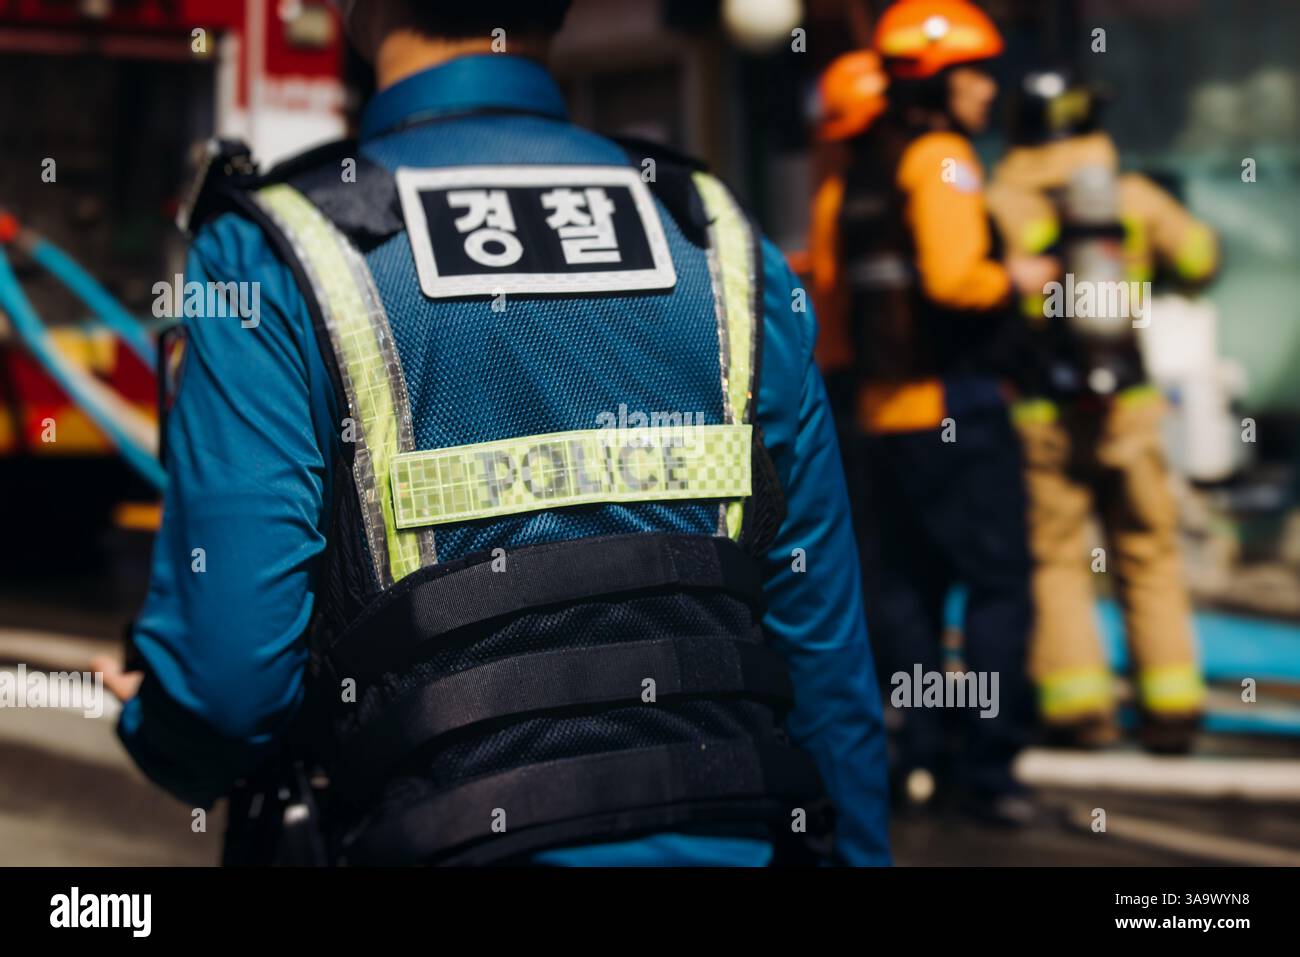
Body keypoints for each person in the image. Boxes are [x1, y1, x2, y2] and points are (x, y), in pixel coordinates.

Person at [94, 0, 891, 866]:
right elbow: (825, 662)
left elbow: (225, 689)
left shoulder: (271, 251)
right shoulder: (718, 236)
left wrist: (158, 724)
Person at [809, 0, 1056, 825]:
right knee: (997, 588)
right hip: (958, 406)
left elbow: (836, 309)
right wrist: (1016, 276)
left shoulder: (855, 173)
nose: (990, 90)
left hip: (883, 418)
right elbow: (955, 280)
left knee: (908, 590)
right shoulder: (944, 158)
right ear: (941, 81)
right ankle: (985, 764)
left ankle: (918, 743)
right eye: (977, 74)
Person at [986, 68, 1217, 752]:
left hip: (1039, 418)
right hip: (1131, 412)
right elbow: (1203, 258)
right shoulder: (1132, 194)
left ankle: (1079, 709)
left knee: (1057, 561)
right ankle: (1172, 709)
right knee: (1148, 553)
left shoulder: (1000, 201)